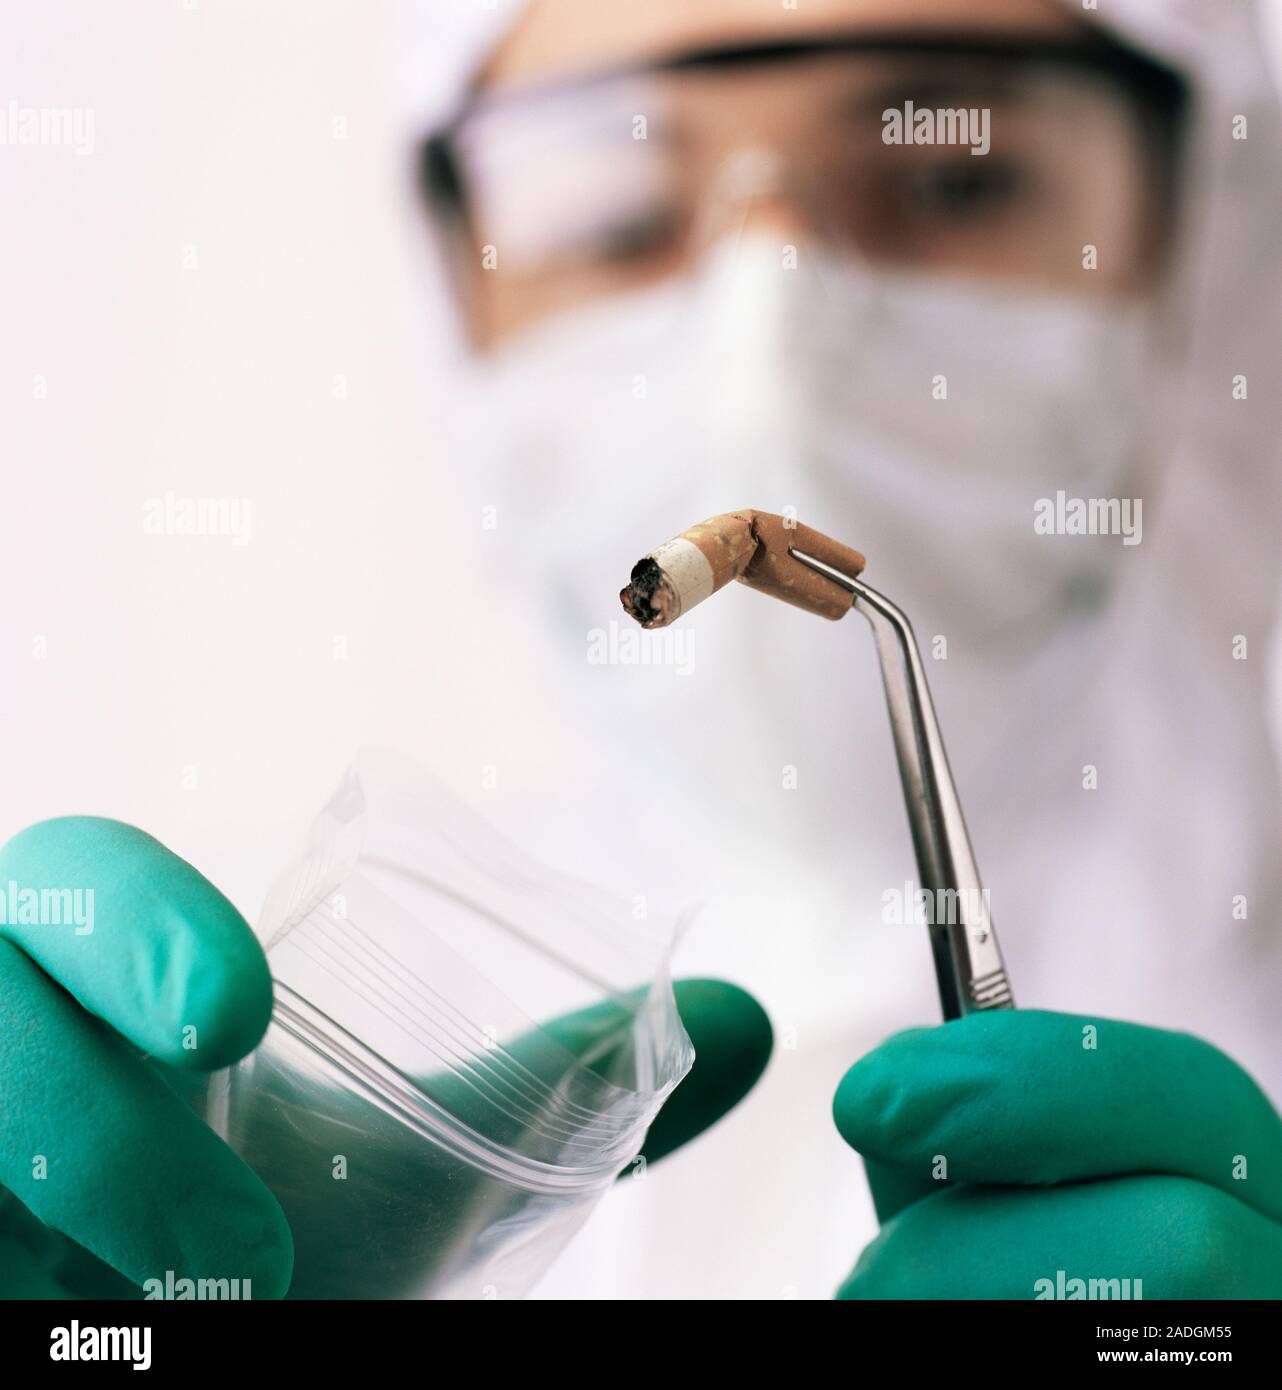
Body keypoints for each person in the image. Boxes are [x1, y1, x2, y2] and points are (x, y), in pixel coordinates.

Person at [2, 0, 1281, 1300]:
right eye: (611, 213)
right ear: (448, 296)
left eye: (952, 180)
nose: (766, 355)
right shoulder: (231, 1049)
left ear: (1207, 240)